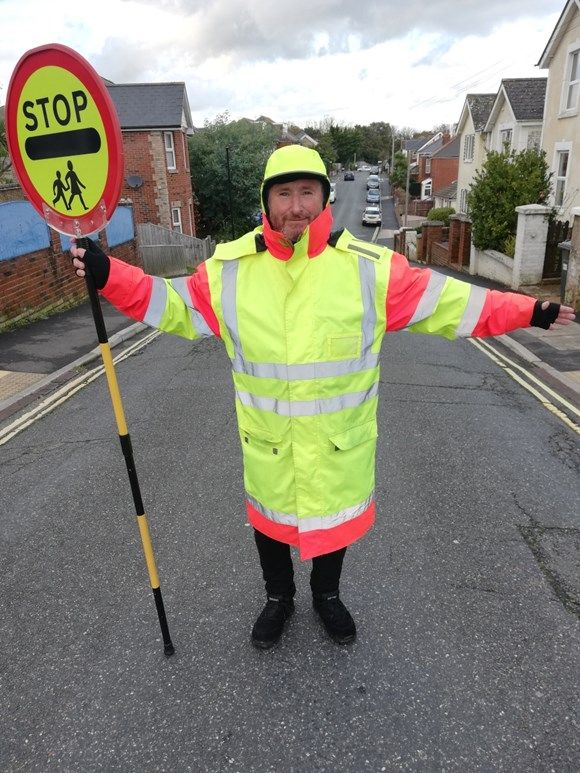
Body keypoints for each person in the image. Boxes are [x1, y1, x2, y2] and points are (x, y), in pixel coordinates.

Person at [71, 144, 576, 650]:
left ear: (325, 198)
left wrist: (529, 311)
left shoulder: (369, 271)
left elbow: (454, 302)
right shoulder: (230, 271)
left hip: (339, 445)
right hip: (269, 443)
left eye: (307, 192)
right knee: (269, 522)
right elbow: (170, 304)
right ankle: (278, 598)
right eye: (284, 193)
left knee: (333, 522)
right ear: (266, 204)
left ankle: (327, 596)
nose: (296, 206)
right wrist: (110, 274)